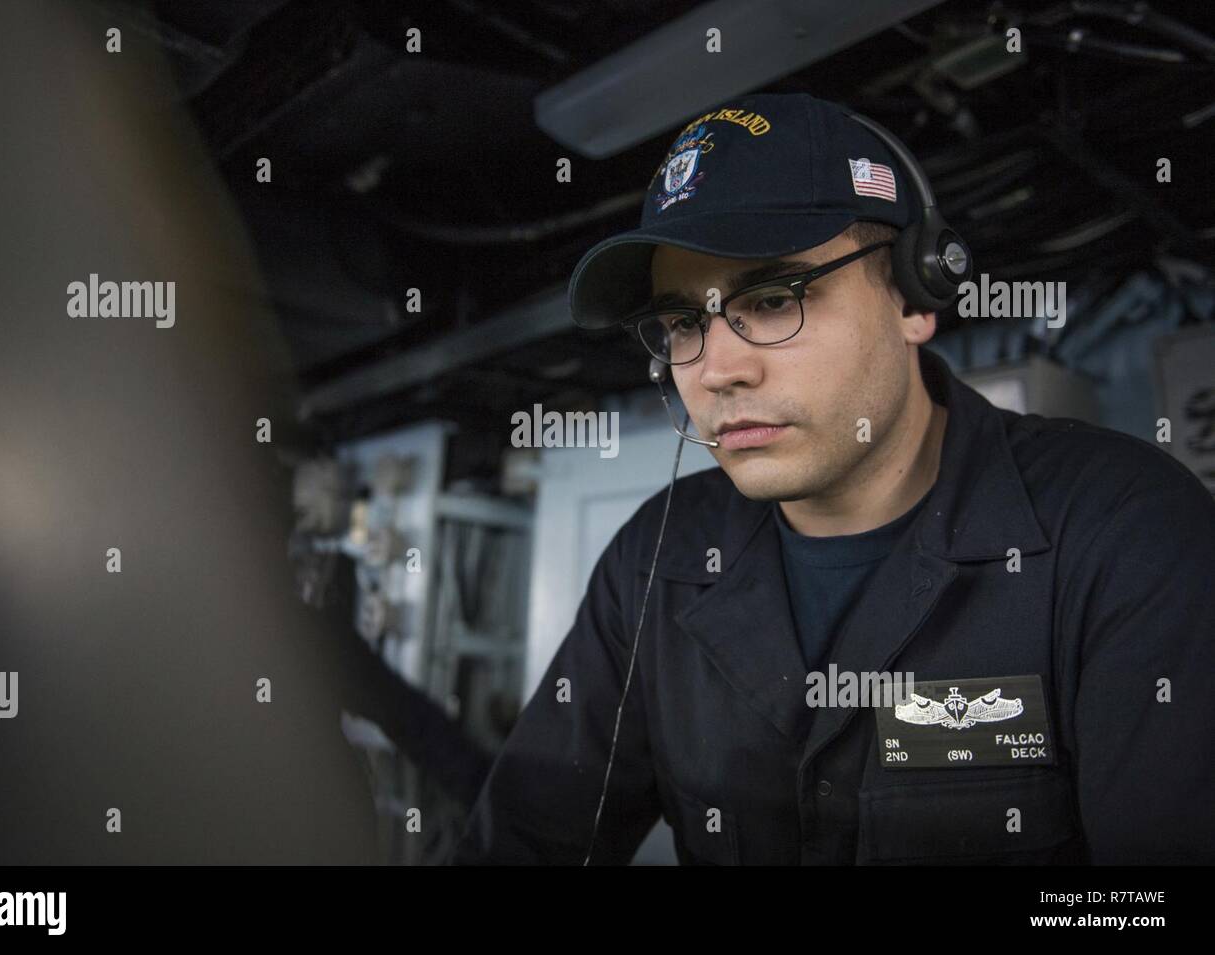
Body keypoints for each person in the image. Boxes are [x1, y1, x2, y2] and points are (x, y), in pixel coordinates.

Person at [450, 92, 1215, 865]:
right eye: (685, 322)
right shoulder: (657, 558)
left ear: (915, 299)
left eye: (775, 298)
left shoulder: (1127, 533)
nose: (716, 369)